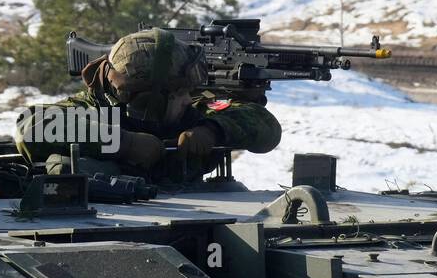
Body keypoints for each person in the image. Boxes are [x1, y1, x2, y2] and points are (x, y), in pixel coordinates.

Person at [15, 27, 281, 180]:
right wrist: (124, 144)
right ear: (151, 101)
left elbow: (265, 126)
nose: (190, 99)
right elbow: (31, 126)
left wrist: (212, 130)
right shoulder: (90, 111)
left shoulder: (190, 114)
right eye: (180, 94)